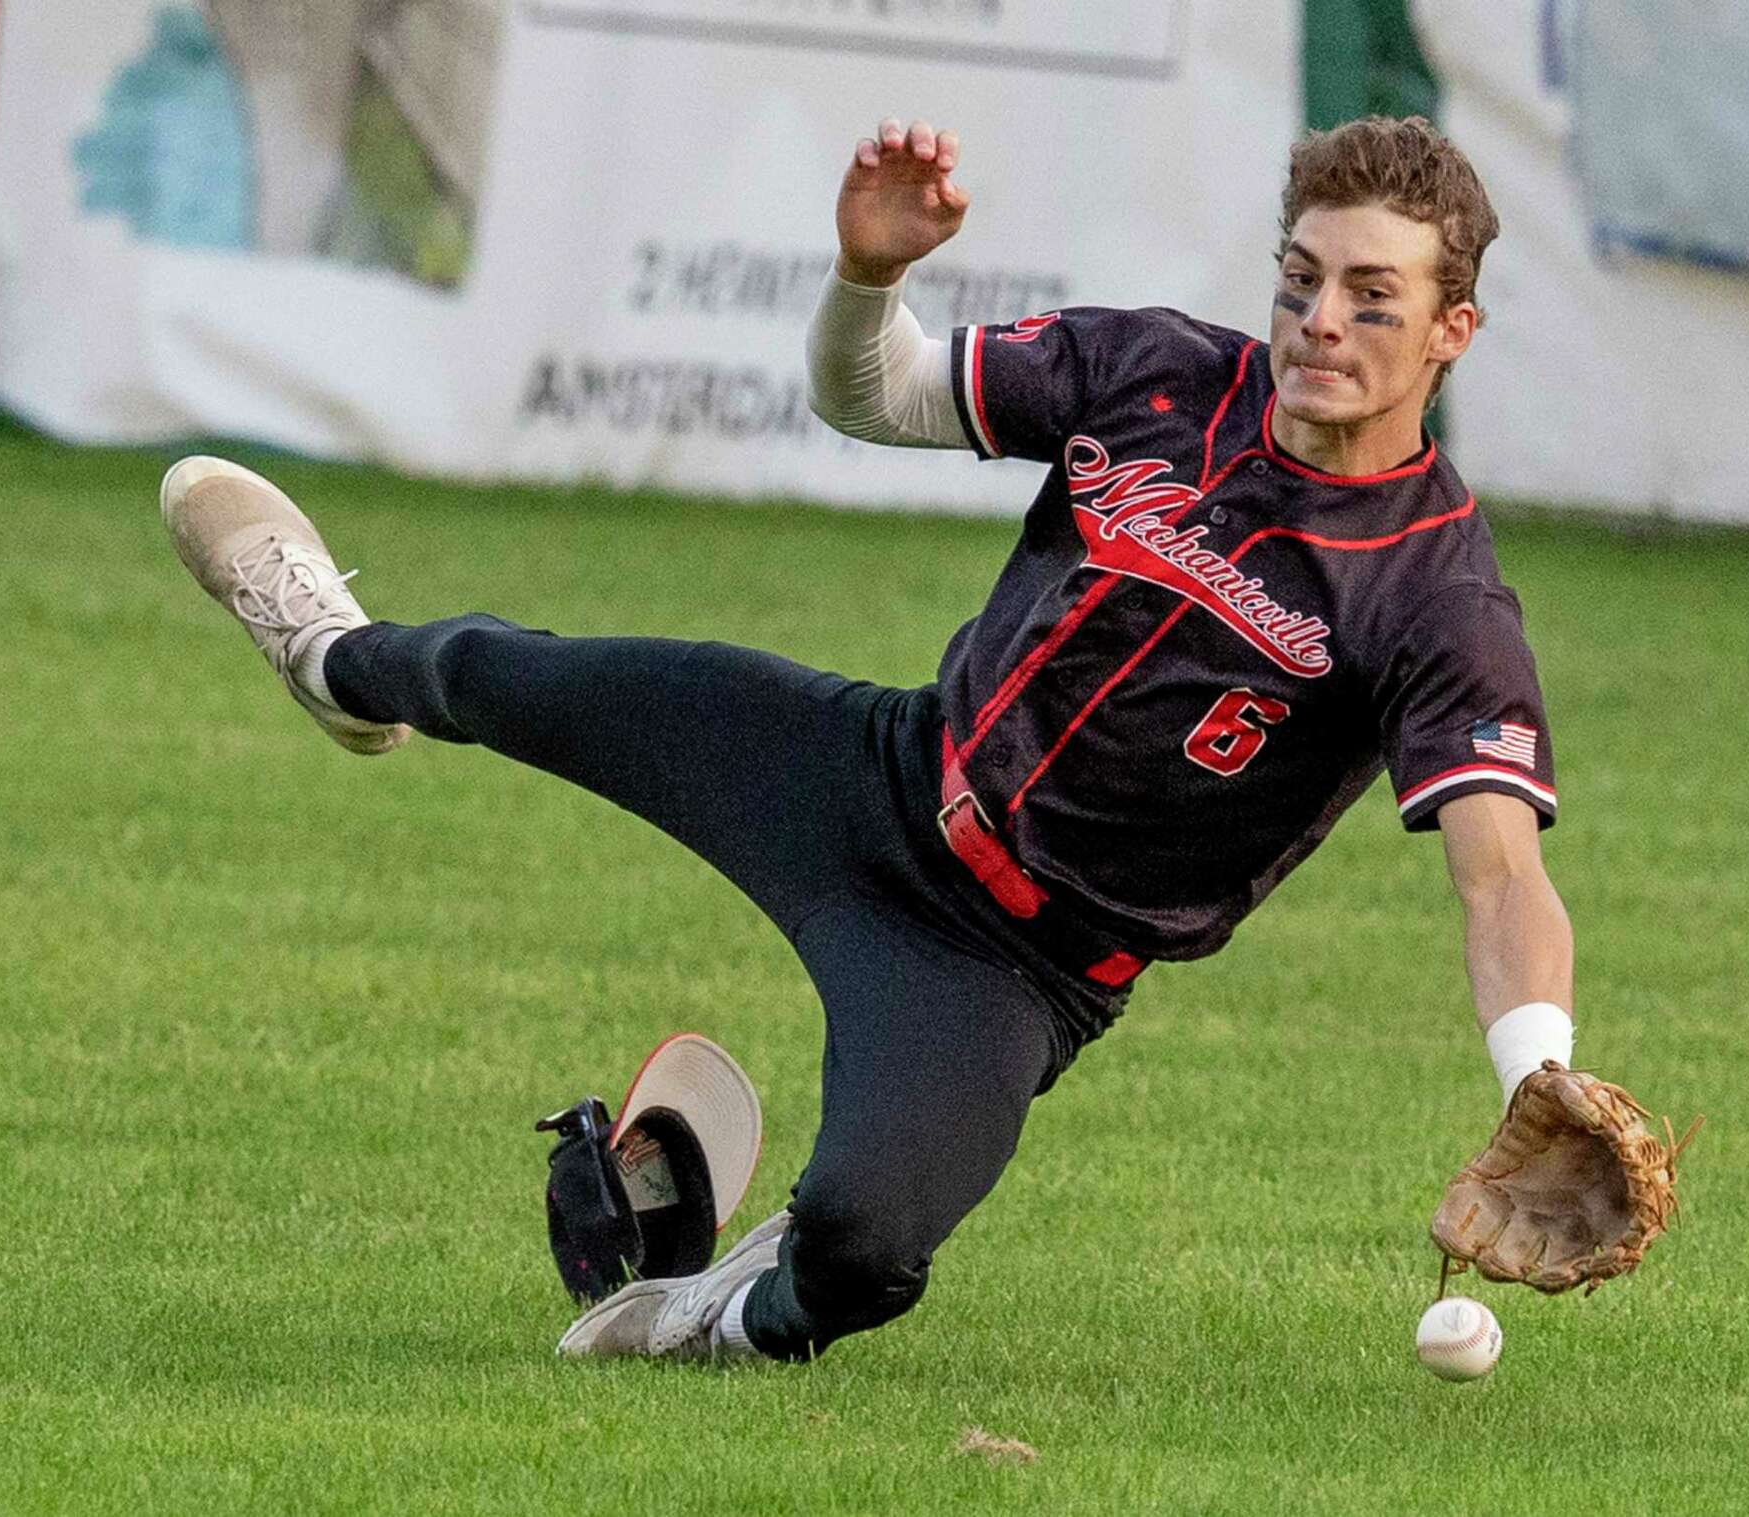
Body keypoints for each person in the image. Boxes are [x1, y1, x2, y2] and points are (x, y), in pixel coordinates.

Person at [163, 114, 1580, 1364]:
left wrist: (1540, 1077)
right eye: (1302, 280)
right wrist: (870, 275)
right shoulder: (1155, 373)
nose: (1321, 319)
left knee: (859, 1252)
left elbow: (1498, 874)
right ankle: (332, 655)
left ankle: (716, 1309)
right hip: (880, 775)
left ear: (1455, 328)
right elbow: (874, 395)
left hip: (1015, 967)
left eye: (1373, 296)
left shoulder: (1436, 593)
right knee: (527, 677)